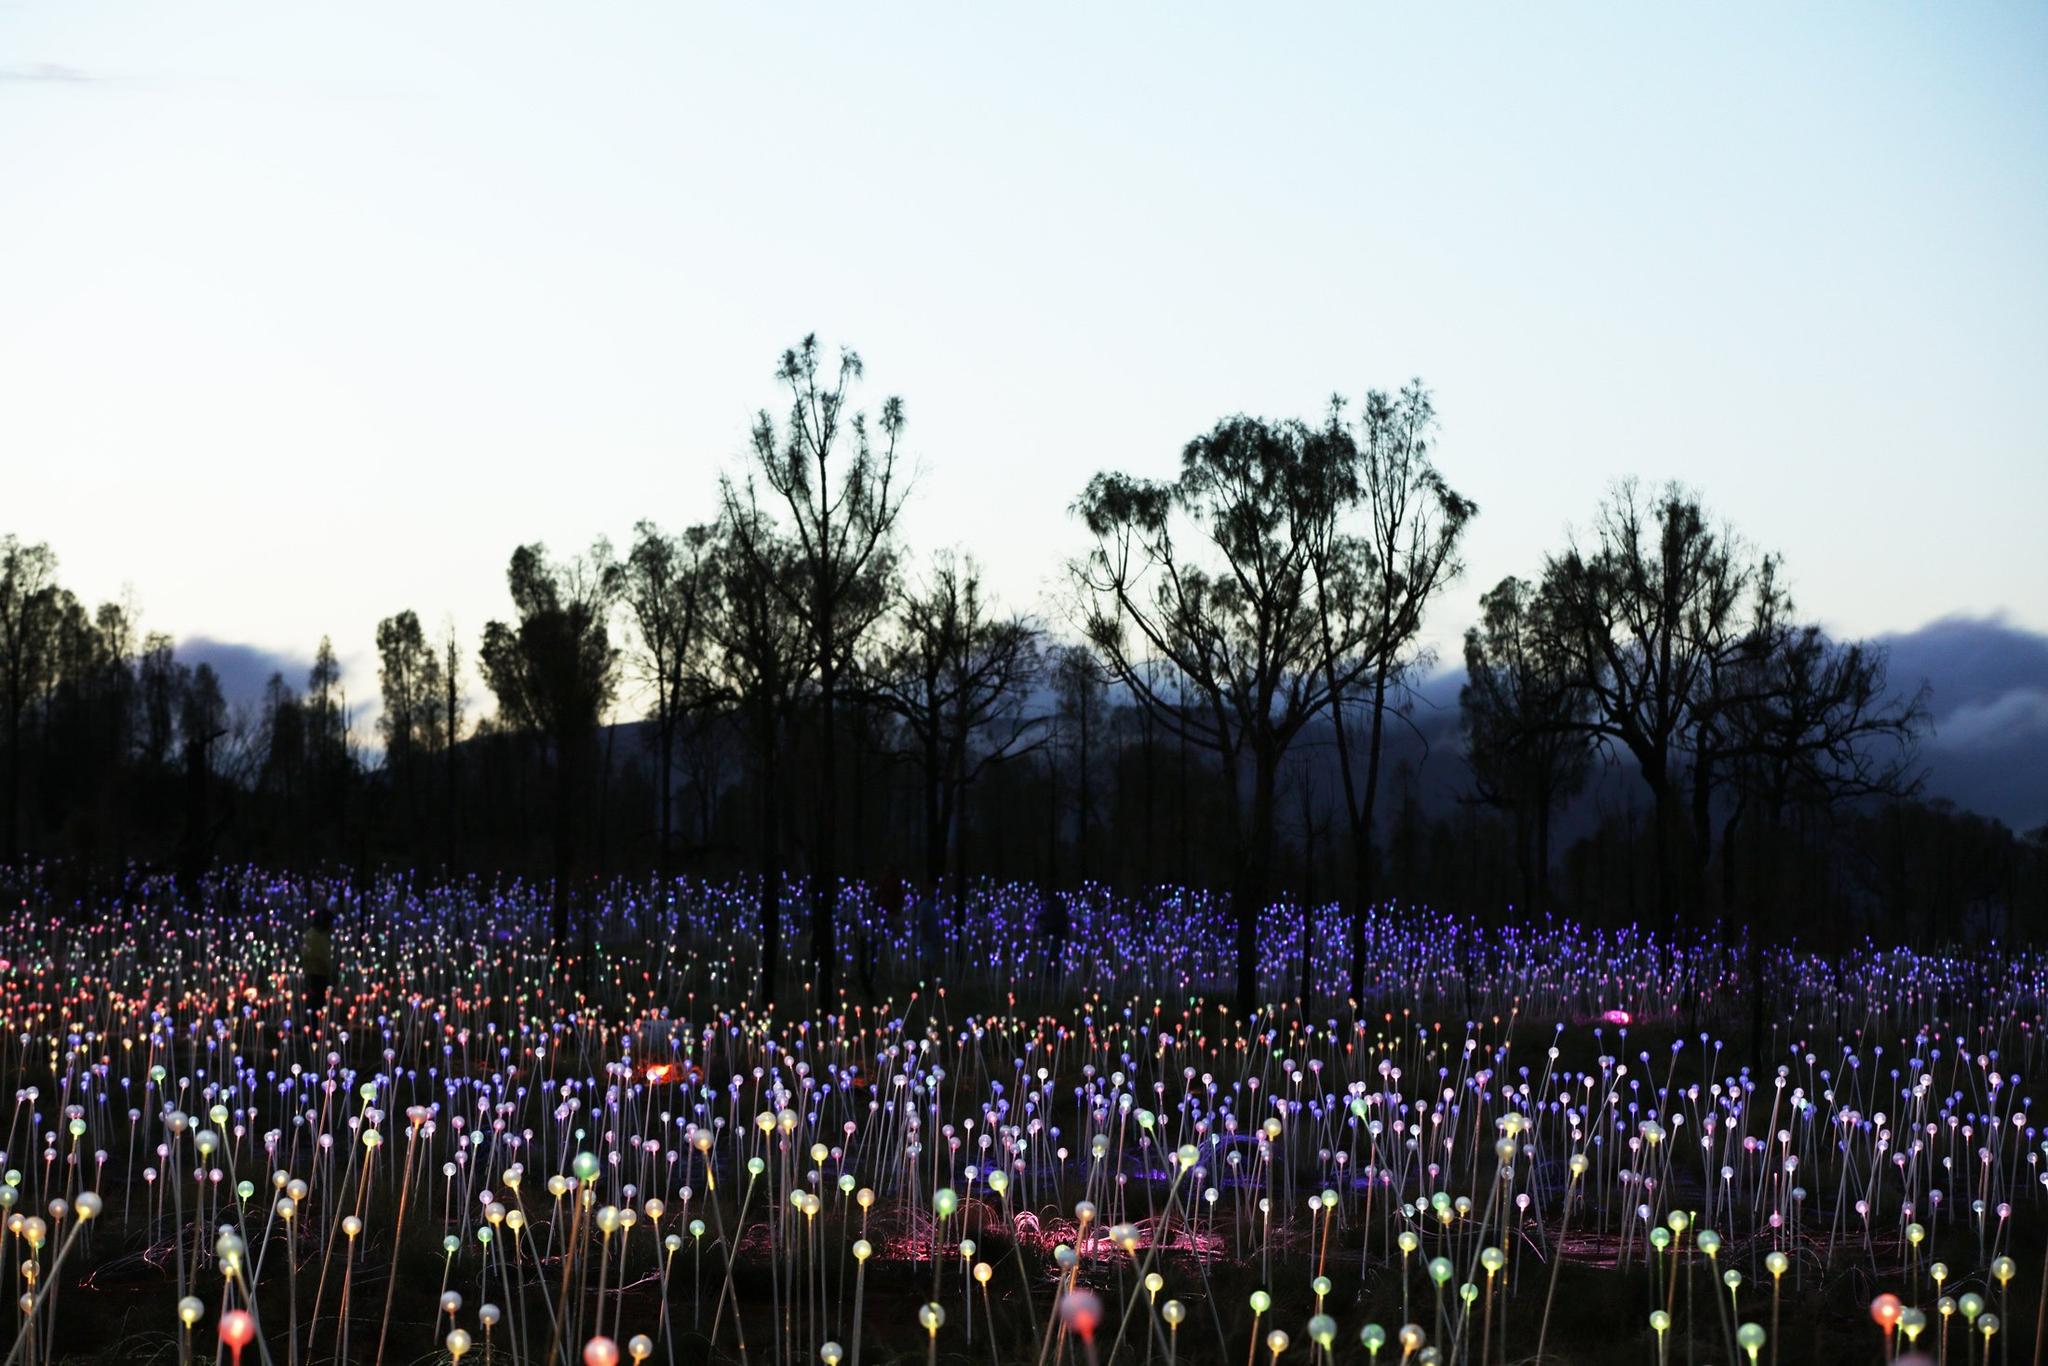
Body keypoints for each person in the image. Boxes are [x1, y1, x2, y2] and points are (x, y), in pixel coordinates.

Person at [302, 903, 335, 1014]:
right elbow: (317, 957)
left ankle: (316, 1025)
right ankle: (314, 1026)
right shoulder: (314, 936)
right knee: (316, 1004)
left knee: (318, 1004)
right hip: (316, 976)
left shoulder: (315, 935)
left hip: (318, 975)